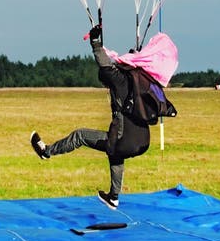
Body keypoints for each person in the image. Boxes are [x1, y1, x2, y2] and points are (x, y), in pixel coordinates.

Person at [30, 24, 150, 210]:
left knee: (81, 135)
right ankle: (114, 197)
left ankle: (46, 152)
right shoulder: (143, 81)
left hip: (124, 139)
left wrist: (95, 42)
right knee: (115, 149)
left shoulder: (120, 80)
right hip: (142, 141)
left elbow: (106, 67)